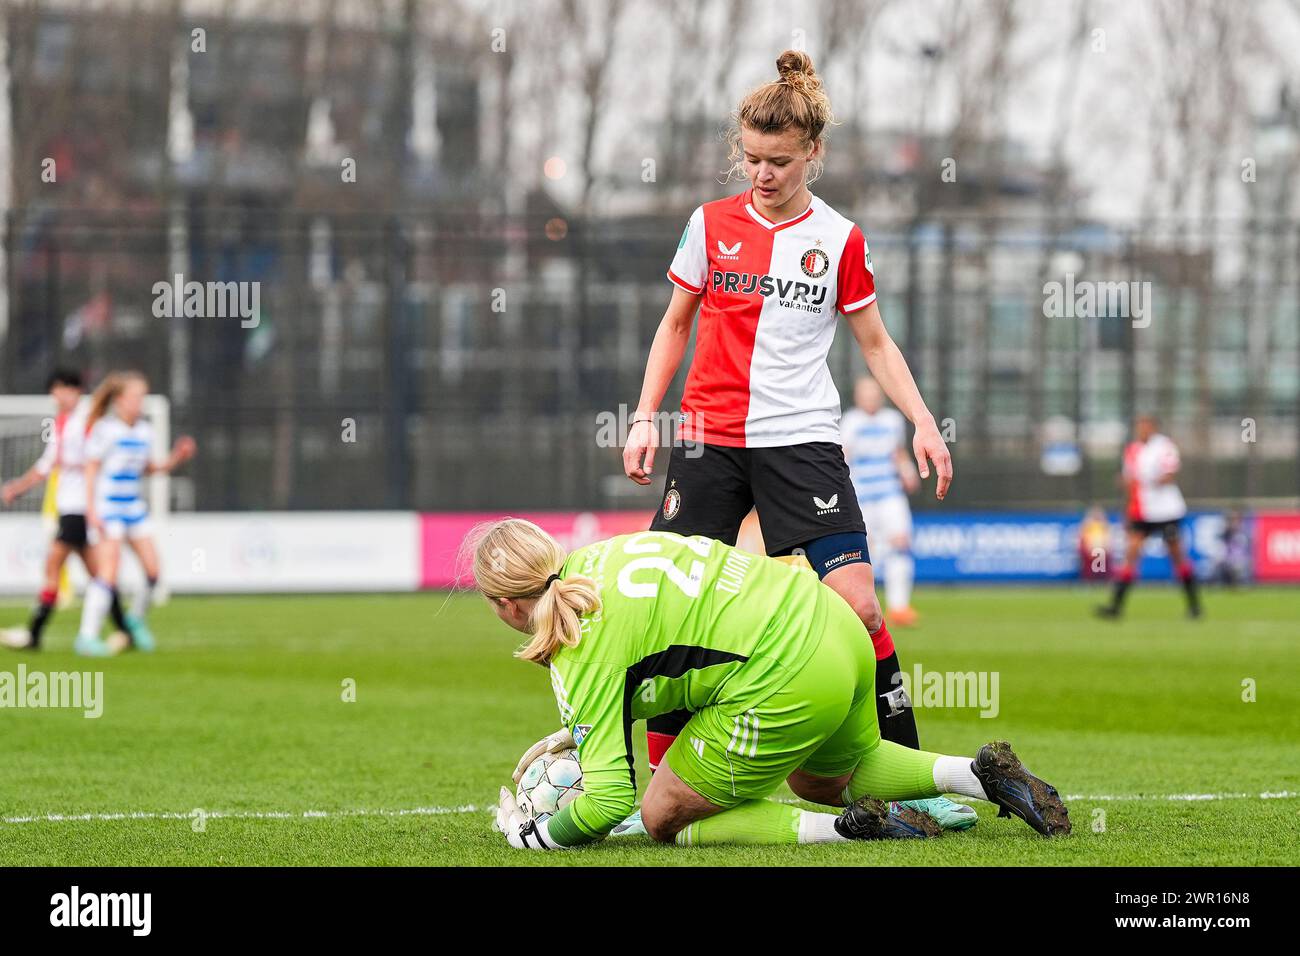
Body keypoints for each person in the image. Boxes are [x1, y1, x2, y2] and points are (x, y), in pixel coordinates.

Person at [620, 50, 965, 829]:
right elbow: (675, 324)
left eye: (777, 160)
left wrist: (922, 421)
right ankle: (653, 794)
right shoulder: (709, 225)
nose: (761, 174)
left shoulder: (840, 239)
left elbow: (874, 343)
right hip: (708, 437)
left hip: (802, 441)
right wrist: (645, 414)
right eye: (749, 158)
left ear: (813, 152)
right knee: (670, 614)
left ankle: (911, 781)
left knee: (862, 608)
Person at [472, 519, 1070, 849]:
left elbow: (609, 801)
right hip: (834, 626)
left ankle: (849, 832)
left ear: (503, 604)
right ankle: (978, 775)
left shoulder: (579, 649)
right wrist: (587, 724)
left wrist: (534, 837)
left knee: (661, 815)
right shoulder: (605, 553)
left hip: (786, 671)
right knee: (823, 775)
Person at [0, 369, 133, 651]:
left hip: (81, 507)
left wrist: (111, 386)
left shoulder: (87, 416)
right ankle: (125, 629)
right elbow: (47, 464)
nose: (55, 396)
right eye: (53, 391)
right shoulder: (60, 424)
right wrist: (18, 487)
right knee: (99, 575)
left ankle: (34, 634)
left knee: (53, 566)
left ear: (74, 390)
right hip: (70, 507)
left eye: (60, 389)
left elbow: (99, 405)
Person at [73, 371, 196, 656]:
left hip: (133, 508)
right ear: (119, 400)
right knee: (109, 572)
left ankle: (134, 620)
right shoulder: (105, 429)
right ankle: (86, 636)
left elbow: (148, 469)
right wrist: (91, 510)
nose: (140, 402)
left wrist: (176, 457)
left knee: (154, 571)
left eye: (142, 396)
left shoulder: (144, 430)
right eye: (135, 396)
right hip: (108, 508)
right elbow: (90, 469)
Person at [1096, 415, 1201, 619]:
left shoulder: (1164, 446)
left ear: (1152, 427)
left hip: (1166, 511)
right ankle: (1116, 607)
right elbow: (1128, 483)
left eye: (1144, 425)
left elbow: (1169, 476)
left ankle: (1194, 606)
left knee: (1177, 556)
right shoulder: (1132, 450)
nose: (1140, 429)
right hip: (1141, 512)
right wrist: (1127, 502)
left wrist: (1145, 480)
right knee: (1131, 554)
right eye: (1138, 426)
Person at [840, 376, 921, 625]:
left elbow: (898, 452)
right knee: (868, 551)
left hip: (890, 495)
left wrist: (908, 471)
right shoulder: (851, 421)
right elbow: (844, 456)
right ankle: (866, 609)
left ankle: (900, 607)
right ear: (858, 397)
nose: (871, 398)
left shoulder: (892, 420)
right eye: (866, 394)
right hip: (862, 496)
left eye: (874, 393)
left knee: (900, 544)